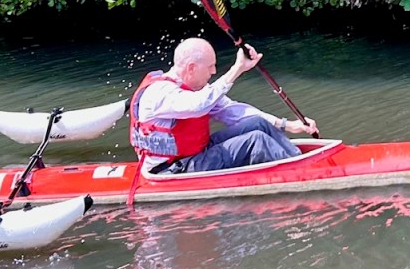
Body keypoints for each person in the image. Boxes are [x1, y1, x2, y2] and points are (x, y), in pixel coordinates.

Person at [129, 37, 319, 174]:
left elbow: (234, 111)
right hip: (173, 168)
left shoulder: (196, 87)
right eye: (210, 66)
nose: (213, 72)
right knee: (256, 141)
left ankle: (297, 160)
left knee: (258, 124)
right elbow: (198, 106)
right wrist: (237, 69)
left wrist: (288, 125)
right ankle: (304, 173)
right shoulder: (160, 93)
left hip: (198, 152)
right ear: (191, 68)